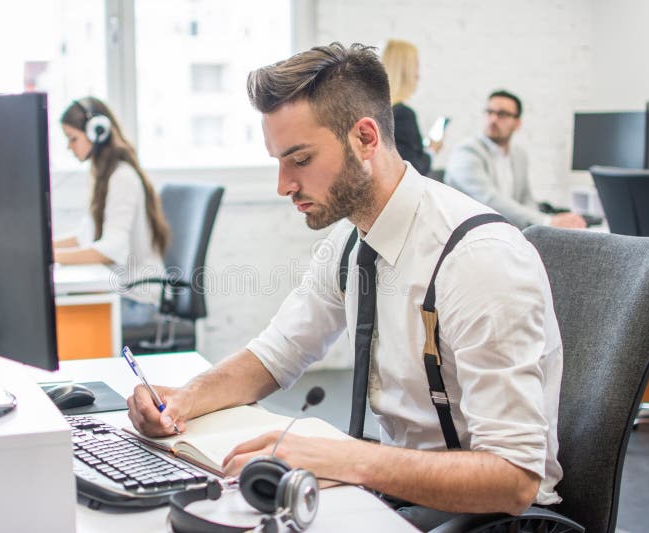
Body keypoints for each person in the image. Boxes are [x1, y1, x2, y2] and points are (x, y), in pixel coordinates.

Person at [127, 44, 563, 530]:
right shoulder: (352, 241)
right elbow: (275, 354)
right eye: (278, 161)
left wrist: (347, 459)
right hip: (402, 492)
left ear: (365, 138)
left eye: (300, 159)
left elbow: (515, 478)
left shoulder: (479, 260)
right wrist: (184, 400)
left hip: (488, 517)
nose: (283, 185)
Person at [53, 97, 169, 320]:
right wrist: (43, 248)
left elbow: (111, 249)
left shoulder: (121, 177)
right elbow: (84, 237)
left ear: (97, 132)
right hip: (121, 292)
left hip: (138, 299)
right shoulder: (104, 175)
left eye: (72, 138)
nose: (69, 146)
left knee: (66, 322)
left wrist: (52, 257)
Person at [445, 90, 586, 229]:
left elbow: (526, 200)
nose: (493, 119)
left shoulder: (519, 155)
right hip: (469, 237)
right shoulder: (466, 152)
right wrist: (546, 221)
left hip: (504, 233)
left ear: (517, 123)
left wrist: (547, 224)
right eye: (490, 112)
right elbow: (489, 200)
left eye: (502, 114)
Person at [381, 39, 441, 175]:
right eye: (416, 66)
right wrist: (432, 151)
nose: (418, 75)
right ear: (405, 71)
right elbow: (411, 171)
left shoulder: (378, 112)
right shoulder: (403, 115)